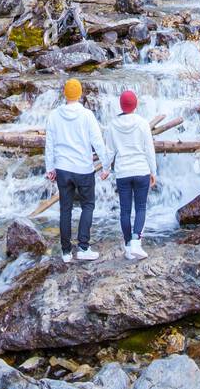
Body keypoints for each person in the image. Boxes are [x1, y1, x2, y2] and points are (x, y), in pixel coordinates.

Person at [44, 78, 110, 262]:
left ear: (65, 94)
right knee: (87, 205)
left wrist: (50, 168)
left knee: (65, 209)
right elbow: (97, 141)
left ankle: (66, 252)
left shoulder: (54, 115)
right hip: (83, 168)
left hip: (63, 169)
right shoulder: (87, 115)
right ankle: (83, 247)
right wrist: (106, 166)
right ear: (79, 94)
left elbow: (50, 144)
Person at [105, 89, 157, 260]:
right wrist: (153, 171)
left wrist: (106, 169)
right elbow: (149, 150)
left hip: (123, 172)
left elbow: (110, 151)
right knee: (141, 207)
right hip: (141, 170)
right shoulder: (142, 123)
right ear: (135, 105)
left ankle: (128, 246)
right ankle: (136, 241)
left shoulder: (112, 125)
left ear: (121, 105)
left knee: (125, 211)